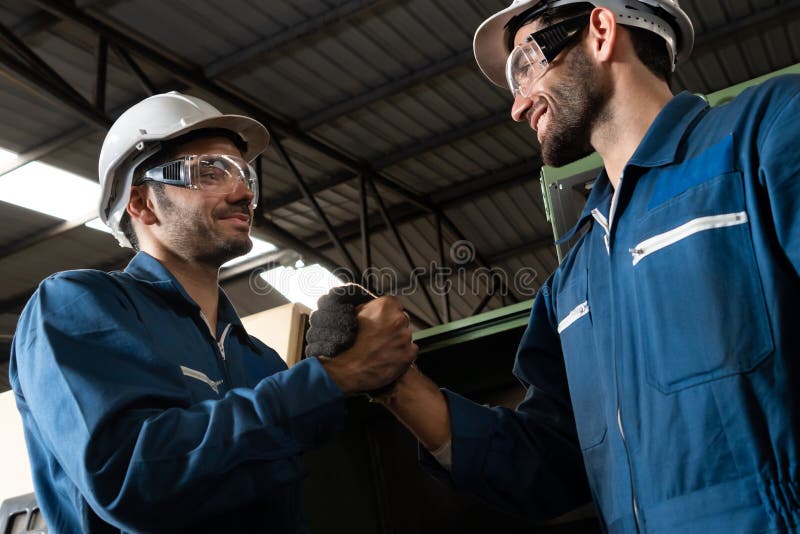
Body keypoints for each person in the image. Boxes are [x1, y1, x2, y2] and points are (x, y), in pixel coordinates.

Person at [354, 0, 800, 531]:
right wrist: (395, 382)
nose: (517, 106)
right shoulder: (572, 283)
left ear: (601, 30)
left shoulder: (767, 132)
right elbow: (546, 464)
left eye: (525, 65)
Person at [8, 91, 417, 533]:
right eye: (209, 172)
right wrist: (331, 378)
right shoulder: (78, 304)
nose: (244, 193)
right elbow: (131, 477)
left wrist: (348, 379)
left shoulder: (262, 361)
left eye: (244, 175)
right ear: (142, 203)